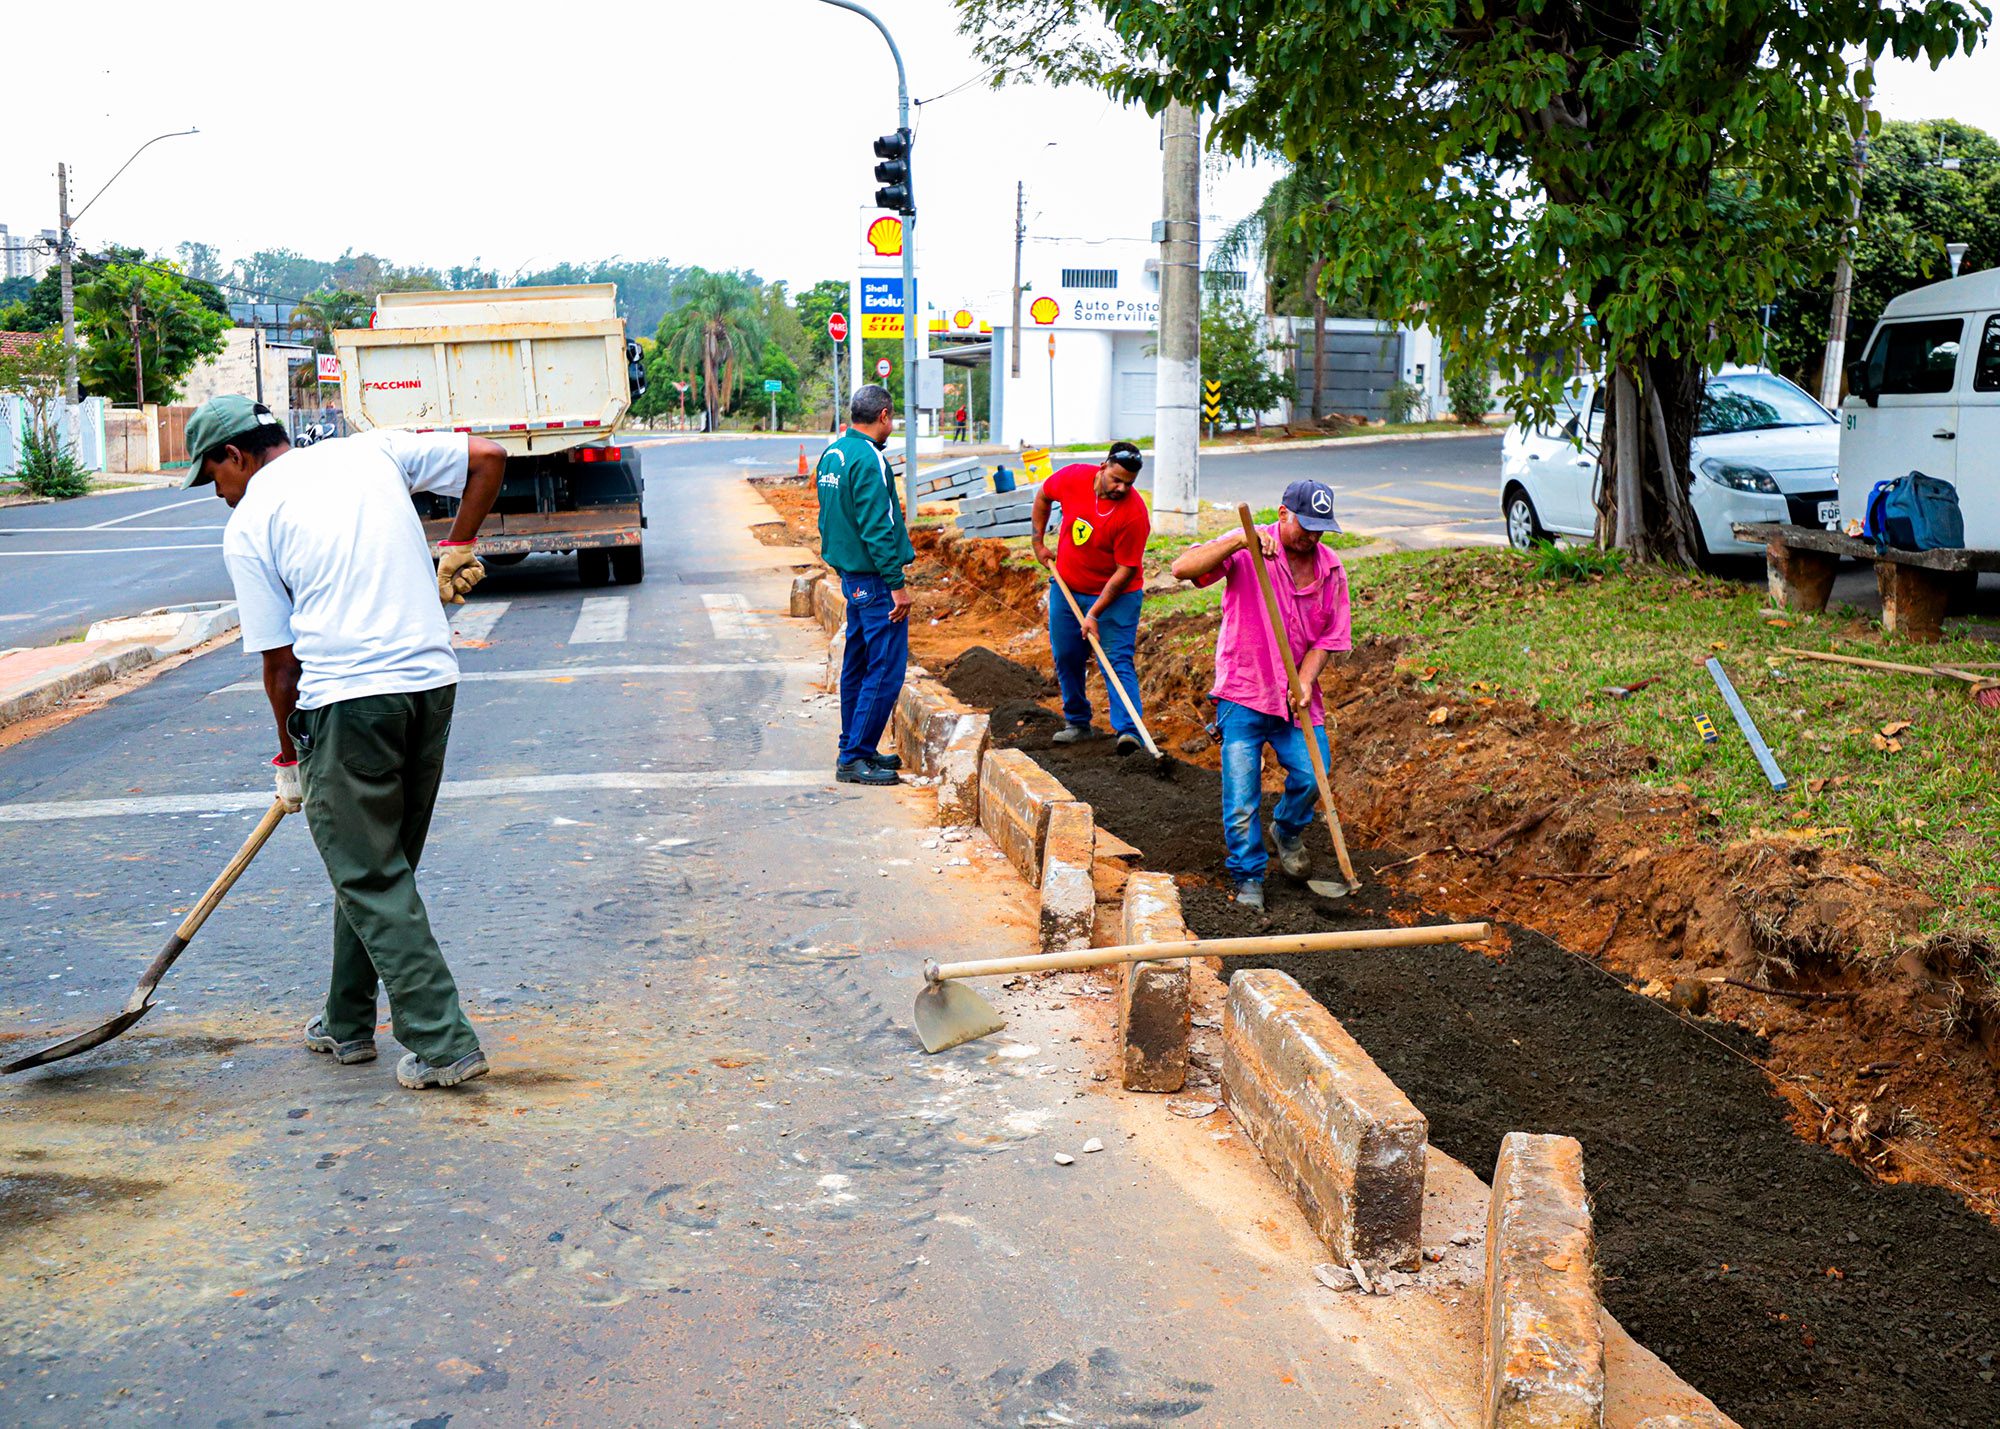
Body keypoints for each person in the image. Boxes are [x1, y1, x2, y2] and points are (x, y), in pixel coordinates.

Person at [184, 394, 507, 1089]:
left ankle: (443, 1040)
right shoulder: (374, 449)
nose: (219, 493)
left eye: (213, 477)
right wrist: (459, 543)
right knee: (376, 865)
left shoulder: (250, 524)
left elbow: (280, 665)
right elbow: (489, 457)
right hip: (429, 685)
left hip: (348, 702)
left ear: (234, 455)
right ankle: (346, 1020)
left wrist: (288, 756)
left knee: (368, 873)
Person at [1169, 480, 1351, 913]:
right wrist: (1238, 541)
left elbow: (1328, 637)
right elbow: (1182, 568)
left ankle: (1286, 830)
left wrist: (1305, 680)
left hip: (1295, 700)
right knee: (1241, 797)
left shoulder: (1331, 569)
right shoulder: (1250, 549)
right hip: (1243, 690)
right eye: (1305, 525)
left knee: (1313, 774)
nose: (1312, 536)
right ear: (1283, 513)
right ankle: (1248, 876)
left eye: (1320, 529)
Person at [815, 384, 915, 785]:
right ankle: (854, 757)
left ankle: (855, 745)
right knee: (885, 668)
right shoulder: (870, 459)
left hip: (852, 576)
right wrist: (897, 584)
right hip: (874, 579)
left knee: (857, 663)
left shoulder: (833, 454)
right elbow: (878, 526)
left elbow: (831, 518)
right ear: (885, 416)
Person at [1031, 441, 1151, 755]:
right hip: (1067, 586)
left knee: (1115, 659)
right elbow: (1043, 496)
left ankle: (1129, 732)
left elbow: (1125, 571)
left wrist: (1095, 613)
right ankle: (1077, 723)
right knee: (1067, 655)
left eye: (1129, 484)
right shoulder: (1072, 478)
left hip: (1117, 597)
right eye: (1117, 479)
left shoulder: (1134, 515)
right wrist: (1038, 541)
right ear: (1103, 467)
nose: (1122, 488)